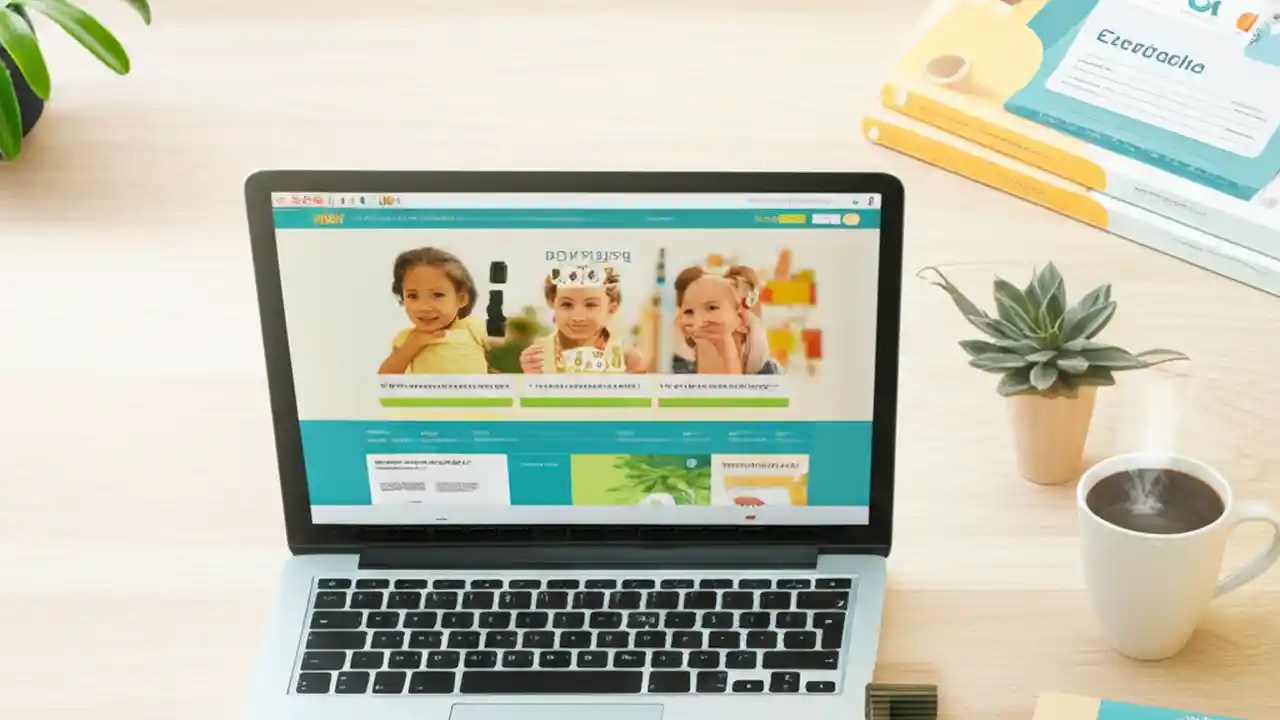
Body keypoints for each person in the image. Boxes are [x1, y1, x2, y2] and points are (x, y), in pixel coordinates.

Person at [378, 247, 491, 374]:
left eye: (437, 295)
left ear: (461, 299)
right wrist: (409, 348)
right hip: (427, 394)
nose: (424, 307)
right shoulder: (407, 339)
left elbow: (505, 351)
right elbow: (385, 379)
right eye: (413, 296)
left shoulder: (473, 328)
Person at [520, 263, 645, 374]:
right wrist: (531, 377)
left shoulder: (626, 357)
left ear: (612, 307)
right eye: (567, 305)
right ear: (551, 302)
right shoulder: (539, 354)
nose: (578, 317)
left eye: (591, 305)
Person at [672, 265, 781, 374]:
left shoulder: (769, 372)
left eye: (711, 307)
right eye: (689, 311)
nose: (699, 320)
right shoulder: (677, 368)